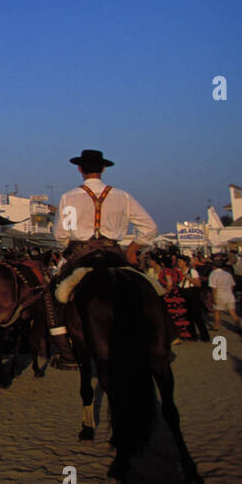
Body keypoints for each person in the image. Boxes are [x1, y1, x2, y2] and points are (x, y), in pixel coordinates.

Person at [48, 149, 158, 364]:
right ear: (103, 169)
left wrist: (68, 245)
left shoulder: (69, 197)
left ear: (80, 169)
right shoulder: (122, 196)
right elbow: (149, 228)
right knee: (150, 288)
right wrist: (132, 250)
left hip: (81, 254)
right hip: (114, 253)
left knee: (53, 293)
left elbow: (62, 234)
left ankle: (66, 350)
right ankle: (163, 336)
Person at [208, 260, 242, 334]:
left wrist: (214, 297)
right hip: (229, 295)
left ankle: (216, 326)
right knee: (232, 312)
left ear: (213, 266)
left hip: (219, 295)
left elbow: (214, 287)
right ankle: (238, 326)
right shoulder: (228, 274)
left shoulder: (213, 274)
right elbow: (232, 285)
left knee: (217, 312)